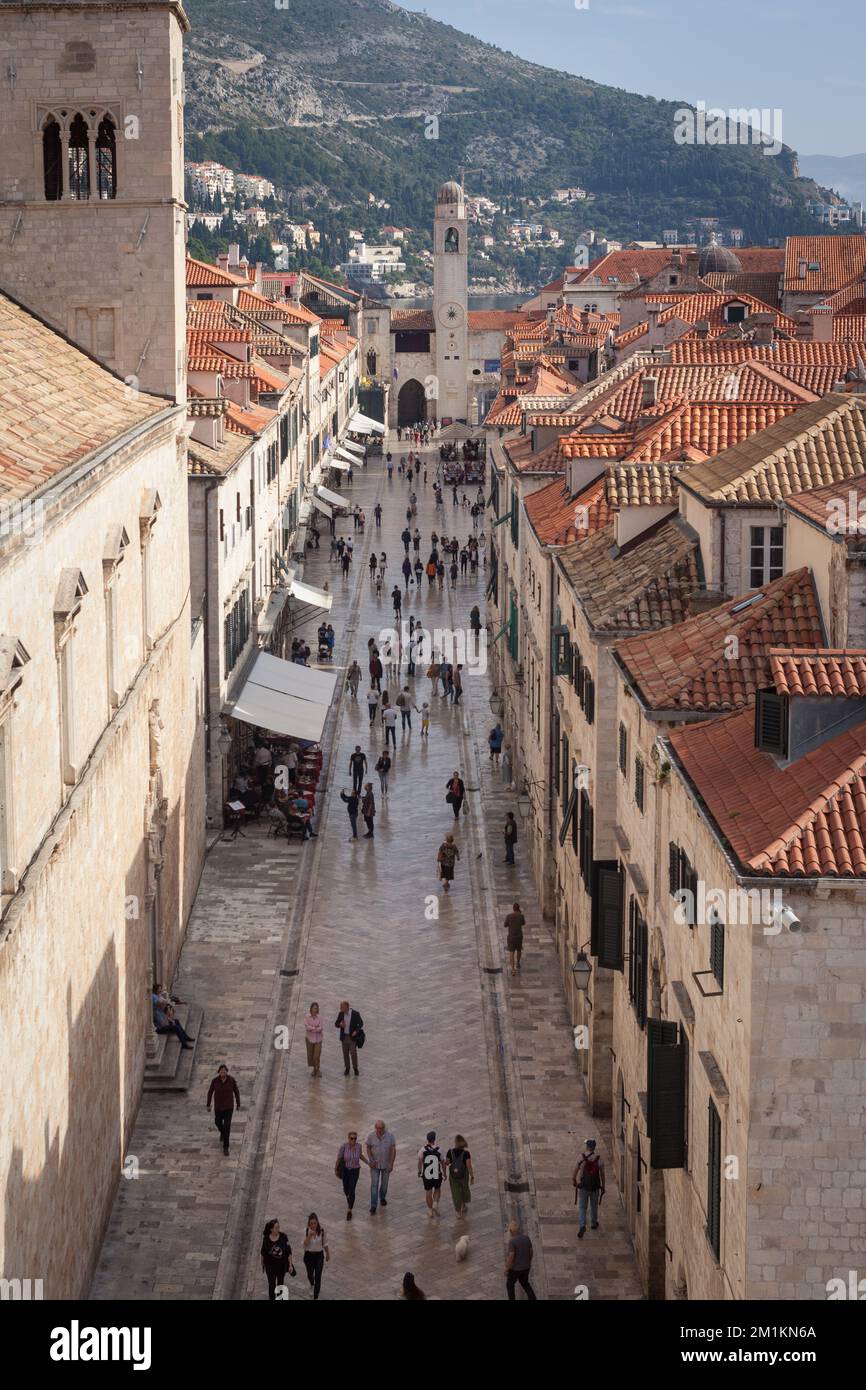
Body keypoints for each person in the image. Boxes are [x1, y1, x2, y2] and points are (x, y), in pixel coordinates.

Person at [573, 1139, 606, 1238]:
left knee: (583, 1207)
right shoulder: (599, 1159)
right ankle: (593, 1223)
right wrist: (603, 1187)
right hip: (595, 1187)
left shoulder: (581, 1158)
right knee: (594, 1205)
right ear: (594, 1147)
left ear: (587, 1146)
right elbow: (602, 1175)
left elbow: (575, 1171)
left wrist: (574, 1180)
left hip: (583, 1186)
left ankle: (582, 1225)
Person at [206, 1064, 241, 1155]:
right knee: (217, 1122)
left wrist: (238, 1103)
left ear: (227, 1071)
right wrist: (208, 1104)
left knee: (227, 1126)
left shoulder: (231, 1080)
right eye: (221, 1071)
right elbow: (210, 1092)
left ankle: (226, 1147)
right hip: (218, 1107)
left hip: (229, 1107)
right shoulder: (215, 1081)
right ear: (219, 1072)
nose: (223, 1072)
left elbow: (236, 1092)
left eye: (224, 1071)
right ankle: (222, 1132)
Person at [336, 1129, 368, 1220]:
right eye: (352, 1138)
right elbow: (339, 1158)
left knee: (352, 1189)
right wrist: (336, 1169)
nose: (353, 1140)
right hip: (345, 1170)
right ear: (348, 1138)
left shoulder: (359, 1146)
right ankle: (349, 1199)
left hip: (355, 1170)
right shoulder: (344, 1147)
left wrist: (368, 1162)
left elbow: (360, 1156)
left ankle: (349, 1210)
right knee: (346, 1189)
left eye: (355, 1138)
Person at [261, 1219, 295, 1301]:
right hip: (270, 1267)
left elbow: (289, 1252)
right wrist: (262, 1264)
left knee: (280, 1285)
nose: (278, 1229)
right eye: (276, 1228)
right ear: (271, 1229)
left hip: (281, 1266)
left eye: (278, 1227)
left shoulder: (283, 1237)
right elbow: (263, 1253)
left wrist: (290, 1265)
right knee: (272, 1285)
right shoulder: (266, 1240)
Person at [366, 1119, 396, 1213]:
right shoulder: (371, 1136)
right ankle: (373, 1205)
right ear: (375, 1128)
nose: (379, 1130)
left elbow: (393, 1150)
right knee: (374, 1185)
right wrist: (370, 1160)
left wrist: (391, 1164)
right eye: (377, 1128)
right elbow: (368, 1147)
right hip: (375, 1165)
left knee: (384, 1184)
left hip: (386, 1164)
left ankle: (382, 1197)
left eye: (381, 1128)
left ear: (384, 1127)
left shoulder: (390, 1136)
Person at [505, 1221, 537, 1301]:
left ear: (512, 1231)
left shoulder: (512, 1242)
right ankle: (533, 1298)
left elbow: (511, 1256)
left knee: (510, 1285)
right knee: (525, 1283)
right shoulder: (526, 1238)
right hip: (526, 1267)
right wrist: (529, 1261)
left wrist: (507, 1268)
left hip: (515, 1269)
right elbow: (531, 1251)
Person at [418, 1130, 445, 1218]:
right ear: (434, 1139)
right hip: (437, 1173)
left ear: (427, 1139)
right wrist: (444, 1173)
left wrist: (419, 1171)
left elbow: (420, 1161)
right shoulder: (439, 1149)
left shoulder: (422, 1150)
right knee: (437, 1189)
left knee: (428, 1191)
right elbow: (443, 1162)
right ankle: (435, 1203)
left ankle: (430, 1210)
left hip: (427, 1174)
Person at [302, 1214, 329, 1300]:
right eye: (311, 1224)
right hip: (308, 1255)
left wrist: (328, 1254)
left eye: (315, 1223)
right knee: (310, 1275)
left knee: (318, 1276)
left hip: (319, 1256)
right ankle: (311, 1284)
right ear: (309, 1224)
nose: (313, 1225)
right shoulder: (306, 1231)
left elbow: (325, 1244)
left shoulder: (322, 1231)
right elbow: (304, 1245)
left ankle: (316, 1297)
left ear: (317, 1222)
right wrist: (309, 1235)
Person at [446, 1135, 474, 1217]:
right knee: (464, 1189)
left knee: (455, 1192)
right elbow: (469, 1166)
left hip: (453, 1176)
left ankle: (458, 1212)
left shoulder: (450, 1152)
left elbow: (447, 1163)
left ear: (455, 1142)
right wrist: (472, 1176)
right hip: (463, 1175)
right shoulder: (466, 1153)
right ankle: (463, 1205)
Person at [335, 1000, 363, 1075]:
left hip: (352, 1037)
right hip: (344, 1037)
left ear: (346, 1007)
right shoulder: (341, 1014)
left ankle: (355, 1068)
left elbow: (360, 1023)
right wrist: (340, 1024)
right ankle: (347, 1068)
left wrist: (356, 1031)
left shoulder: (355, 1014)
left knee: (353, 1052)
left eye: (342, 1007)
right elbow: (336, 1023)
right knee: (345, 1053)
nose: (340, 1009)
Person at [504, 902, 526, 976]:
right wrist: (520, 914)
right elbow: (523, 923)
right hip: (519, 936)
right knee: (519, 950)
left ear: (513, 908)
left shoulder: (509, 916)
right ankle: (518, 963)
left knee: (511, 952)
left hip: (511, 937)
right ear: (518, 908)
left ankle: (513, 969)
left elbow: (505, 925)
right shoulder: (521, 916)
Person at [304, 1002, 323, 1077]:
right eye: (314, 1008)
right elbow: (307, 1027)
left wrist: (312, 1028)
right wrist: (315, 1028)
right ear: (311, 1009)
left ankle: (317, 1069)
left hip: (318, 1039)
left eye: (316, 1008)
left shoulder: (320, 1017)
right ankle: (314, 1069)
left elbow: (321, 1028)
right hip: (309, 1038)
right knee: (310, 1054)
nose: (315, 1009)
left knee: (316, 1055)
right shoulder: (307, 1017)